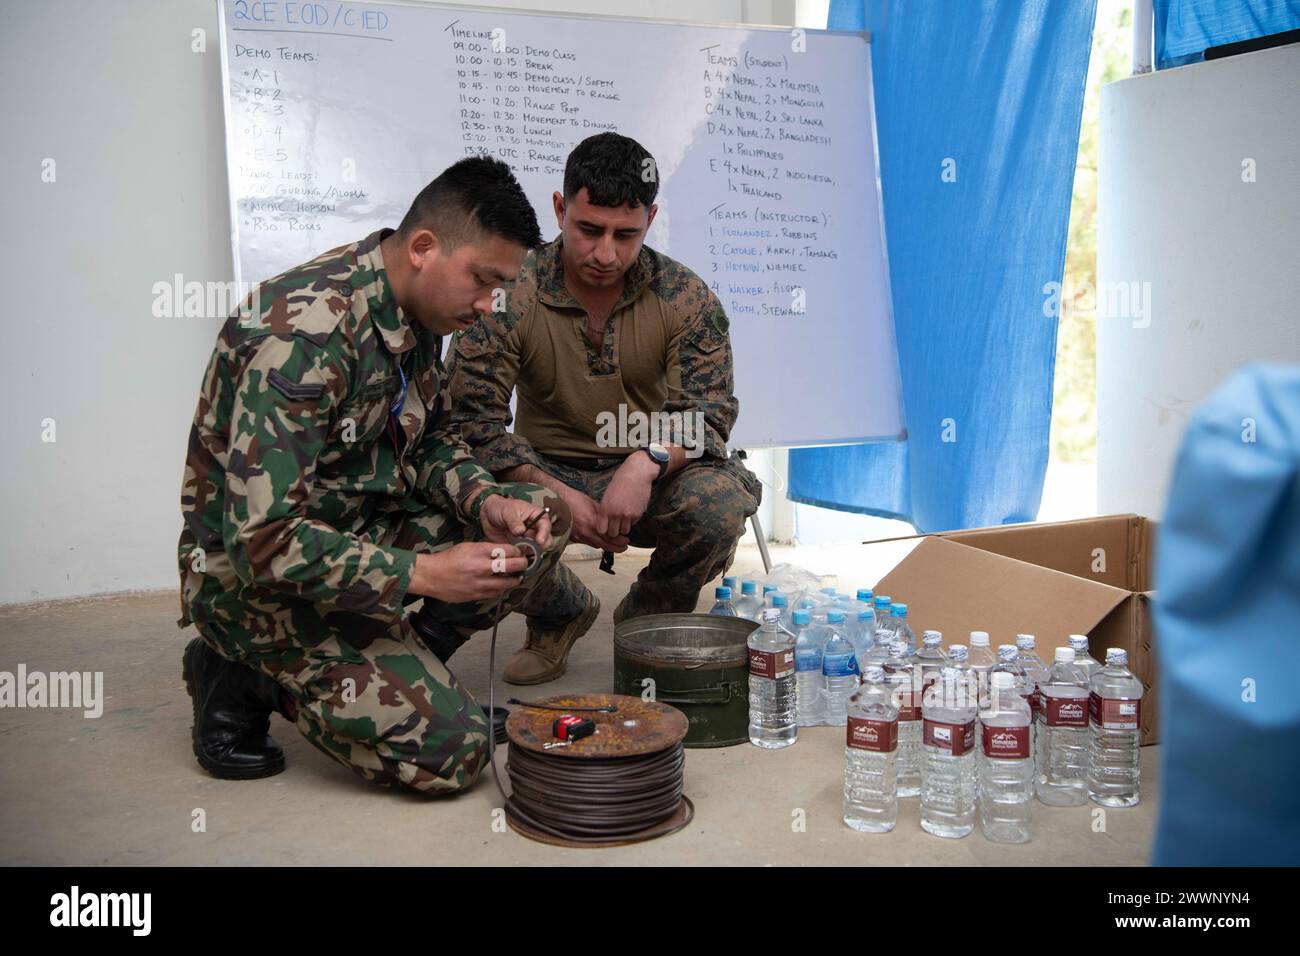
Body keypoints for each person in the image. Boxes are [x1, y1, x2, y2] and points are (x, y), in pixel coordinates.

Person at [177, 156, 571, 796]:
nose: (487, 305)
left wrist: (488, 500)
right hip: (258, 582)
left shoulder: (421, 313)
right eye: (481, 280)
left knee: (541, 518)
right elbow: (262, 540)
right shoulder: (305, 333)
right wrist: (426, 574)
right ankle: (243, 669)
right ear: (422, 247)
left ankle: (401, 672)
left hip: (358, 532)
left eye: (499, 286)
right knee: (452, 756)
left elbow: (431, 437)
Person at [447, 133, 762, 686]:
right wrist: (560, 493)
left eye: (626, 234)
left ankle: (649, 617)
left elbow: (709, 415)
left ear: (651, 218)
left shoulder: (685, 297)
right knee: (473, 505)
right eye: (588, 229)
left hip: (646, 472)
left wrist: (646, 463)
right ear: (560, 209)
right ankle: (559, 612)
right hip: (545, 471)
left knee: (716, 504)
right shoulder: (507, 292)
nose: (605, 254)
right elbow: (471, 423)